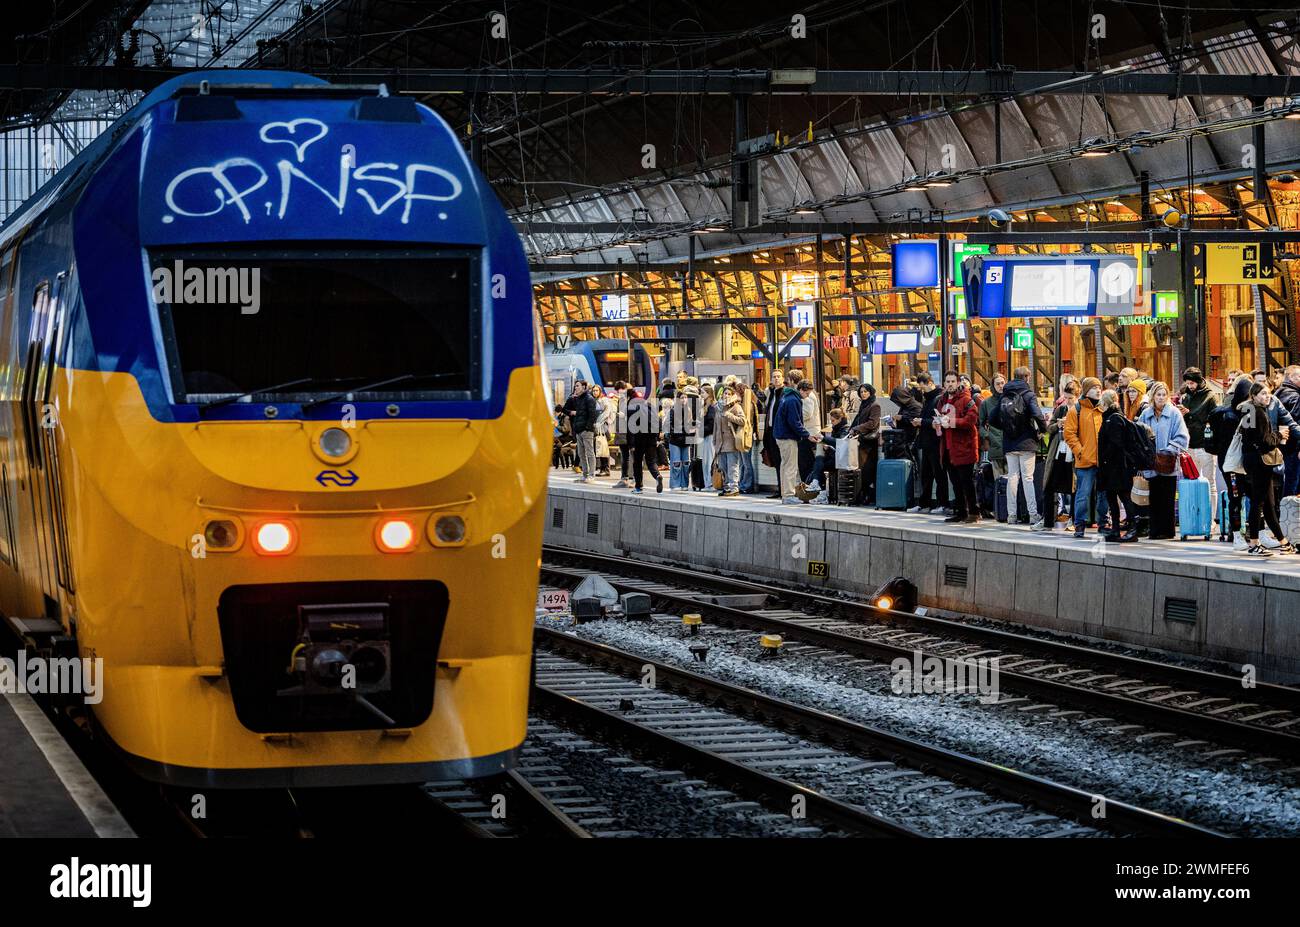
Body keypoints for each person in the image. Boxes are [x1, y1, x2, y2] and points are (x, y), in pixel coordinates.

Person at [1238, 382, 1296, 556]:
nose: (1267, 396)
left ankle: (1283, 542)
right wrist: (1280, 435)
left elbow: (1249, 438)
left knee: (1268, 503)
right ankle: (1254, 544)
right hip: (1261, 462)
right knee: (1258, 502)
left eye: (1268, 393)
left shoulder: (1247, 409)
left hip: (1251, 460)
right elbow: (1265, 442)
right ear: (1254, 395)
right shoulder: (1260, 413)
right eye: (1263, 393)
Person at [1137, 382, 1190, 540]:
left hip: (1168, 462)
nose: (1161, 398)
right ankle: (1154, 530)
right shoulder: (1146, 414)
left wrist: (1167, 450)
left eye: (1163, 395)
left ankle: (1167, 531)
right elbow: (1139, 435)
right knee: (1154, 497)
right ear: (1153, 396)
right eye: (1158, 394)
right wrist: (1147, 452)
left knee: (1167, 497)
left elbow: (1182, 437)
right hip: (1151, 462)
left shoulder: (1174, 413)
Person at [998, 365, 1048, 530]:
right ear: (1027, 377)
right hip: (1026, 441)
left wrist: (1006, 428)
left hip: (1009, 442)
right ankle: (1033, 514)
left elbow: (992, 417)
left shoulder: (1005, 394)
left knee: (1013, 476)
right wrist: (1042, 430)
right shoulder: (1028, 395)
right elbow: (1037, 414)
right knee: (1028, 478)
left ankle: (1011, 515)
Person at [1208, 375, 1255, 546]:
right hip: (1241, 463)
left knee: (1234, 496)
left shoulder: (1222, 413)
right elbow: (1251, 440)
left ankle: (1234, 533)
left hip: (1226, 463)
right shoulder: (1246, 414)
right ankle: (1243, 532)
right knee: (1247, 497)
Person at [1063, 377, 1109, 539]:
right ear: (1086, 391)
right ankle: (1080, 525)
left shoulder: (1104, 409)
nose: (1098, 390)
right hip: (1085, 460)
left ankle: (1103, 523)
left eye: (1099, 387)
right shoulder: (1076, 410)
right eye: (1094, 388)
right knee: (1083, 494)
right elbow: (1069, 434)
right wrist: (1080, 451)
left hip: (1103, 460)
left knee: (1103, 494)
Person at [936, 371, 981, 523]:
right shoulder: (941, 400)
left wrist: (951, 422)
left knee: (967, 482)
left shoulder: (967, 399)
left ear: (958, 383)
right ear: (944, 383)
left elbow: (971, 420)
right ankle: (961, 511)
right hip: (948, 447)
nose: (950, 384)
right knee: (955, 483)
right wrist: (936, 423)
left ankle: (973, 512)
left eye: (952, 381)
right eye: (947, 381)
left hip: (964, 447)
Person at [1178, 368, 1219, 526]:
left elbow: (1214, 419)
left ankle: (1211, 519)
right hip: (1189, 445)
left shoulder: (1210, 396)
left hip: (1205, 445)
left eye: (1192, 382)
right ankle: (1195, 516)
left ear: (1199, 380)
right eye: (1187, 383)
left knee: (1210, 481)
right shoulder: (1185, 396)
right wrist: (1183, 414)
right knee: (1191, 482)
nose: (1190, 386)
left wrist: (1191, 414)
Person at [1097, 389, 1139, 542]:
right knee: (1113, 497)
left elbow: (1116, 444)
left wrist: (1106, 460)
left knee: (1123, 496)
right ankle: (1116, 528)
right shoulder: (1112, 417)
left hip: (1116, 467)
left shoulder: (1113, 419)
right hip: (1113, 467)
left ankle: (1132, 528)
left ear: (1105, 402)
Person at [773, 372, 819, 504]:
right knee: (791, 467)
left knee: (785, 465)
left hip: (780, 435)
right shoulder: (794, 400)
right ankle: (788, 495)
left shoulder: (787, 397)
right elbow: (795, 422)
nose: (808, 396)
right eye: (807, 393)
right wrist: (807, 435)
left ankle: (785, 493)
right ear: (802, 390)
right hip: (788, 437)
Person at [908, 372, 950, 514]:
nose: (921, 391)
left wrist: (922, 422)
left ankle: (942, 503)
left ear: (930, 383)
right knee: (925, 475)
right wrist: (918, 421)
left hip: (936, 442)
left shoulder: (939, 398)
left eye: (922, 387)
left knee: (939, 474)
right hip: (926, 442)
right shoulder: (929, 398)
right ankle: (924, 503)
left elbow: (939, 421)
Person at [625, 387, 663, 495]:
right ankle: (657, 476)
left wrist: (631, 443)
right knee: (651, 461)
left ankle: (638, 487)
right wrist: (656, 437)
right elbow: (657, 421)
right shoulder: (649, 405)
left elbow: (630, 427)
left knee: (637, 463)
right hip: (651, 437)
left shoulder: (631, 407)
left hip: (638, 438)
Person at [713, 386, 748, 497]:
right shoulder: (718, 407)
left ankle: (734, 488)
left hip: (731, 441)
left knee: (732, 466)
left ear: (732, 395)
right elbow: (716, 426)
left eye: (729, 394)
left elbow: (743, 421)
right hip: (720, 442)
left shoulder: (735, 406)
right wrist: (715, 440)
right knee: (723, 467)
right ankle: (726, 487)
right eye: (725, 393)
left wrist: (730, 415)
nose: (726, 395)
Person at [850, 382, 881, 505]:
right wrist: (851, 429)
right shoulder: (863, 405)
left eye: (865, 392)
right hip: (861, 441)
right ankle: (864, 495)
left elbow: (872, 423)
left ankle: (869, 495)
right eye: (861, 392)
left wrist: (857, 428)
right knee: (862, 469)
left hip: (869, 443)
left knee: (867, 470)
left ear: (871, 392)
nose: (863, 394)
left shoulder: (875, 405)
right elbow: (858, 419)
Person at [562, 380, 598, 482]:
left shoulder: (589, 399)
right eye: (575, 386)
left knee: (590, 453)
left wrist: (587, 428)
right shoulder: (577, 399)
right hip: (578, 430)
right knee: (581, 454)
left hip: (586, 431)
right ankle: (585, 475)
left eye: (577, 386)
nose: (575, 388)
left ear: (584, 387)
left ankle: (591, 475)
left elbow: (593, 415)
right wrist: (572, 413)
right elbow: (565, 409)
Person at [1275, 365, 1300, 497]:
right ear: (1290, 377)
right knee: (1293, 484)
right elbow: (1296, 422)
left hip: (1279, 445)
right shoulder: (1295, 397)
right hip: (1293, 447)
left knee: (1284, 483)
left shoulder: (1276, 393)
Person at [762, 370, 786, 499]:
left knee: (782, 461)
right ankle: (780, 488)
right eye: (774, 377)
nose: (776, 379)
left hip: (780, 431)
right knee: (776, 461)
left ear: (783, 378)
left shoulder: (784, 393)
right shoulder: (771, 393)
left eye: (778, 377)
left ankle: (784, 489)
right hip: (771, 430)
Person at [798, 377, 823, 488]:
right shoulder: (810, 395)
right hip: (810, 432)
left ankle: (807, 485)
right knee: (807, 461)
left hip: (809, 433)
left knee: (805, 462)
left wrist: (794, 416)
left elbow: (807, 414)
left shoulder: (808, 396)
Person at [736, 379, 760, 493]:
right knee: (744, 462)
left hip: (744, 435)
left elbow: (745, 421)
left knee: (745, 462)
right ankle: (743, 484)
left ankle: (746, 485)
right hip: (747, 435)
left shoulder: (745, 405)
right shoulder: (751, 404)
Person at [591, 384, 613, 476]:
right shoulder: (594, 401)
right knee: (600, 447)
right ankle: (602, 469)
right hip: (597, 427)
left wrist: (600, 421)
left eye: (597, 390)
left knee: (603, 447)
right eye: (593, 391)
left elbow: (607, 412)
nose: (595, 392)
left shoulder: (603, 400)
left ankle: (606, 469)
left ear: (600, 391)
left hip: (602, 427)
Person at [700, 381, 717, 485]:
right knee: (706, 461)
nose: (701, 395)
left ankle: (710, 482)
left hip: (710, 437)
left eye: (702, 392)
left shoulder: (711, 407)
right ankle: (707, 482)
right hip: (706, 436)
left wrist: (700, 429)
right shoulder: (706, 406)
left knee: (709, 461)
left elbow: (711, 425)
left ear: (708, 393)